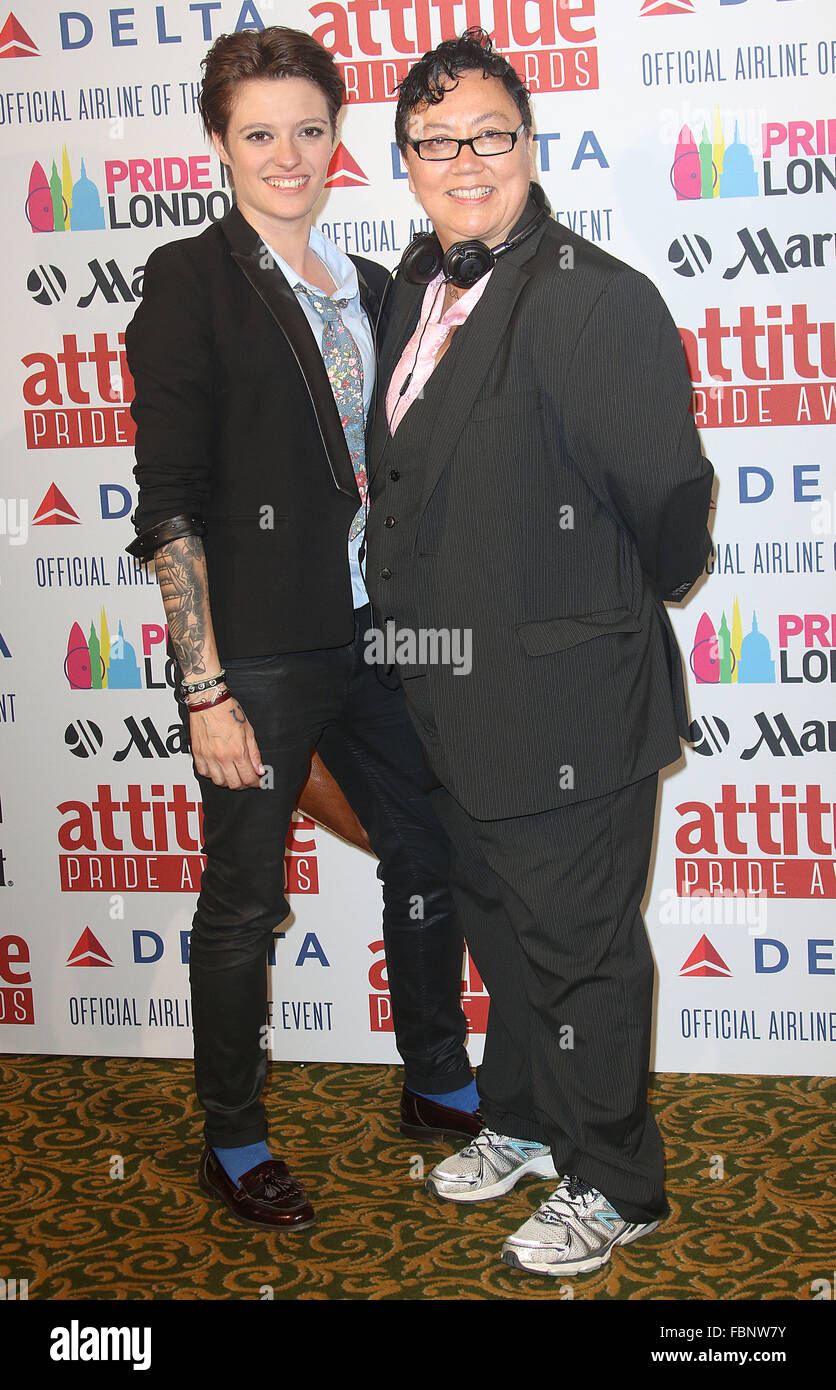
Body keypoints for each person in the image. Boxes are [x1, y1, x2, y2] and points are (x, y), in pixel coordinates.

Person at [366, 29, 714, 1276]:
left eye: (488, 136)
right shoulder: (414, 285)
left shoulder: (591, 295)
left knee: (579, 955)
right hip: (445, 698)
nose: (464, 161)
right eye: (434, 141)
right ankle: (521, 1119)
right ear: (405, 159)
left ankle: (616, 1181)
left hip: (567, 706)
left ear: (528, 143)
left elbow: (670, 501)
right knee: (500, 933)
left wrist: (594, 612)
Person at [124, 26, 482, 1235]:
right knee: (240, 898)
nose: (288, 154)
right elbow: (166, 497)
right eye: (260, 132)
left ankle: (436, 1078)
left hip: (376, 636)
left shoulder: (380, 288)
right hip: (258, 651)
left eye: (310, 128)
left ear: (340, 141)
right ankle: (235, 1134)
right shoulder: (190, 278)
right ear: (219, 143)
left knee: (428, 848)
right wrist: (203, 685)